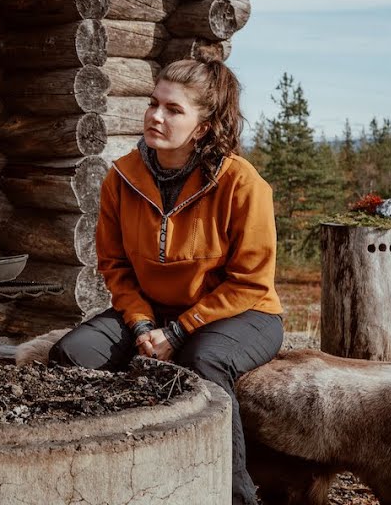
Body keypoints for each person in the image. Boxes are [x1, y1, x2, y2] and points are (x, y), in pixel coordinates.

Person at [47, 58, 284, 505]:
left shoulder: (241, 183)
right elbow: (115, 267)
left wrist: (177, 332)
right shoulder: (121, 177)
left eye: (173, 110)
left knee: (204, 361)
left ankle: (234, 496)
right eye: (153, 103)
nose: (156, 116)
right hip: (153, 311)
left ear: (203, 127)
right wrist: (140, 324)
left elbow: (251, 281)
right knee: (72, 353)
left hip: (243, 313)